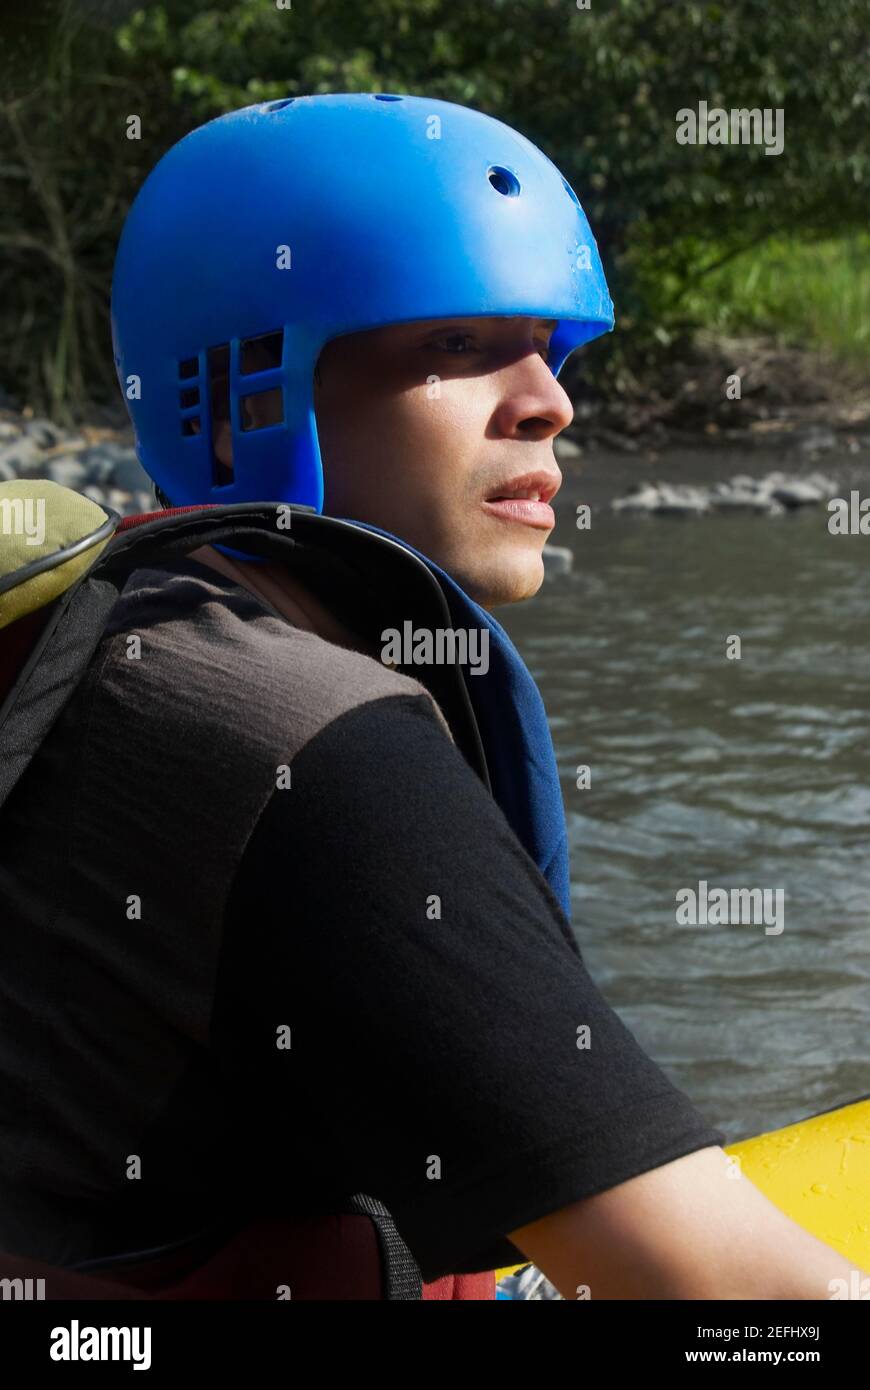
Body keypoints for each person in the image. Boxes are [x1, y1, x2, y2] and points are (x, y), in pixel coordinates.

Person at [1, 93, 864, 1302]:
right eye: (456, 345)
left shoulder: (115, 631)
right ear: (251, 391)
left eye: (549, 350)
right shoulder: (316, 748)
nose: (551, 401)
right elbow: (750, 1304)